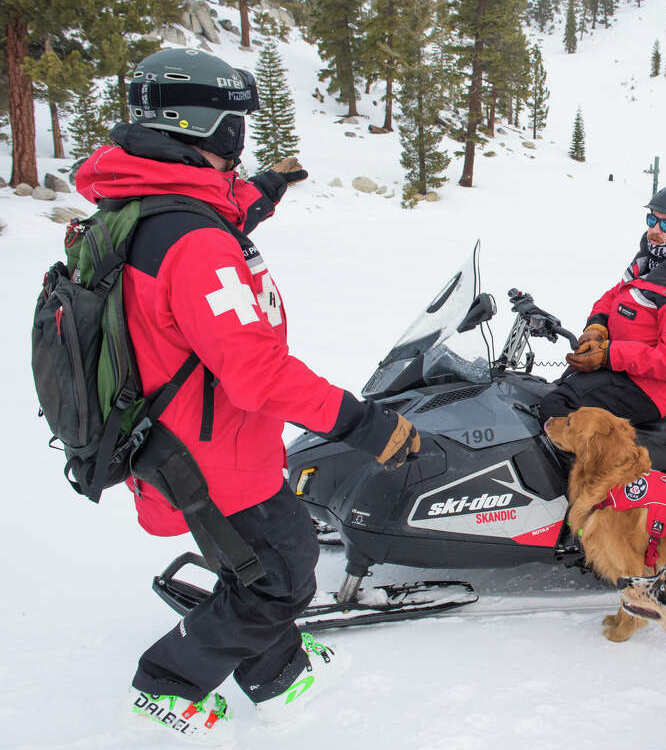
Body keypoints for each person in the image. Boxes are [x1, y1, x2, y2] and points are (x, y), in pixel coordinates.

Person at [74, 47, 418, 740]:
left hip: (192, 430)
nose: (240, 137)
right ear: (204, 126)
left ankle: (275, 670)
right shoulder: (194, 242)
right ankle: (165, 684)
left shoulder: (145, 198)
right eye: (234, 124)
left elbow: (202, 217)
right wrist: (363, 422)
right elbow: (256, 370)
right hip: (205, 446)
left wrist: (258, 192)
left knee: (265, 554)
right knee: (281, 577)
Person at [540, 185, 666, 424]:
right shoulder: (652, 260)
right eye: (652, 219)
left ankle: (603, 461)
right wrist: (597, 328)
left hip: (664, 387)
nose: (654, 230)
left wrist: (609, 354)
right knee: (553, 390)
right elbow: (614, 296)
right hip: (628, 367)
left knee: (558, 409)